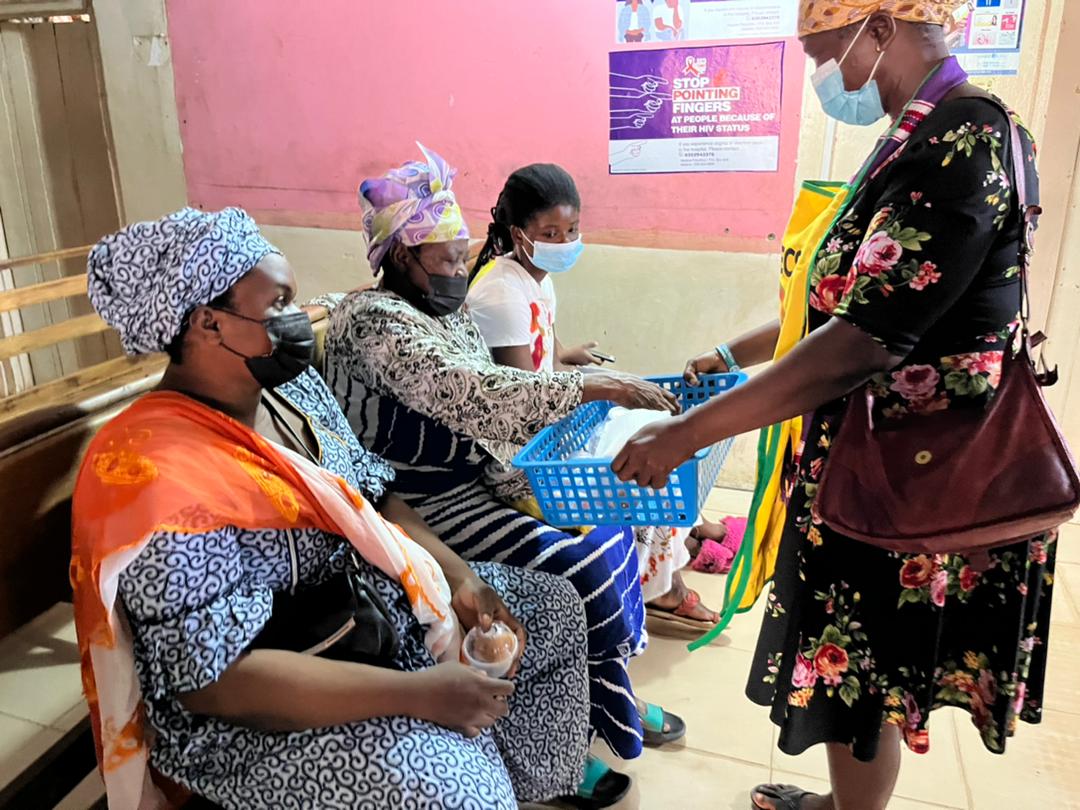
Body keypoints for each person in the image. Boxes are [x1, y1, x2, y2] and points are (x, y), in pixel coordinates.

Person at [612, 4, 1054, 809]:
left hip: (900, 478)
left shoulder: (964, 139)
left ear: (879, 30)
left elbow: (864, 340)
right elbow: (838, 294)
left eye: (823, 53)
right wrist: (729, 356)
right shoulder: (922, 132)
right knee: (861, 670)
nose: (825, 76)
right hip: (879, 458)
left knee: (862, 673)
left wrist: (687, 433)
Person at [71, 207, 630, 810]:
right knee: (452, 788)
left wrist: (459, 578)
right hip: (261, 714)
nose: (298, 317)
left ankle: (521, 779)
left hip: (369, 613)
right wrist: (415, 695)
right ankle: (478, 779)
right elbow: (217, 683)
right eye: (279, 301)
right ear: (209, 324)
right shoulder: (151, 474)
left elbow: (376, 495)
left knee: (548, 609)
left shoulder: (291, 392)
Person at [323, 144, 692, 764]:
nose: (458, 268)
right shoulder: (372, 321)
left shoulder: (443, 312)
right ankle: (565, 744)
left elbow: (488, 410)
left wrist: (529, 480)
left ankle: (607, 703)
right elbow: (472, 394)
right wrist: (595, 385)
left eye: (460, 254)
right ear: (404, 257)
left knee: (606, 529)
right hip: (412, 497)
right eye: (443, 258)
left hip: (473, 479)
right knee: (580, 571)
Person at [466, 162, 730, 622]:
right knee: (643, 454)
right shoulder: (500, 293)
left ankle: (680, 534)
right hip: (524, 449)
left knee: (660, 428)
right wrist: (605, 389)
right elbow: (527, 395)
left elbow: (542, 345)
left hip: (554, 417)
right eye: (549, 232)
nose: (564, 242)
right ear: (518, 232)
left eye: (572, 229)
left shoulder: (529, 280)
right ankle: (663, 586)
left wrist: (570, 354)